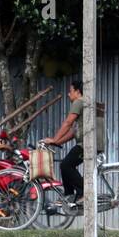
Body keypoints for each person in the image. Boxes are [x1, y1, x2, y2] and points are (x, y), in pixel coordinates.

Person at [38, 80, 90, 208]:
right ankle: (70, 196)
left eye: (70, 91)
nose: (68, 94)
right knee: (66, 165)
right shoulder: (86, 103)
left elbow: (68, 123)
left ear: (77, 92)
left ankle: (84, 192)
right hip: (90, 142)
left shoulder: (79, 102)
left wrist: (54, 139)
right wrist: (57, 142)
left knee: (66, 165)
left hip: (87, 143)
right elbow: (73, 132)